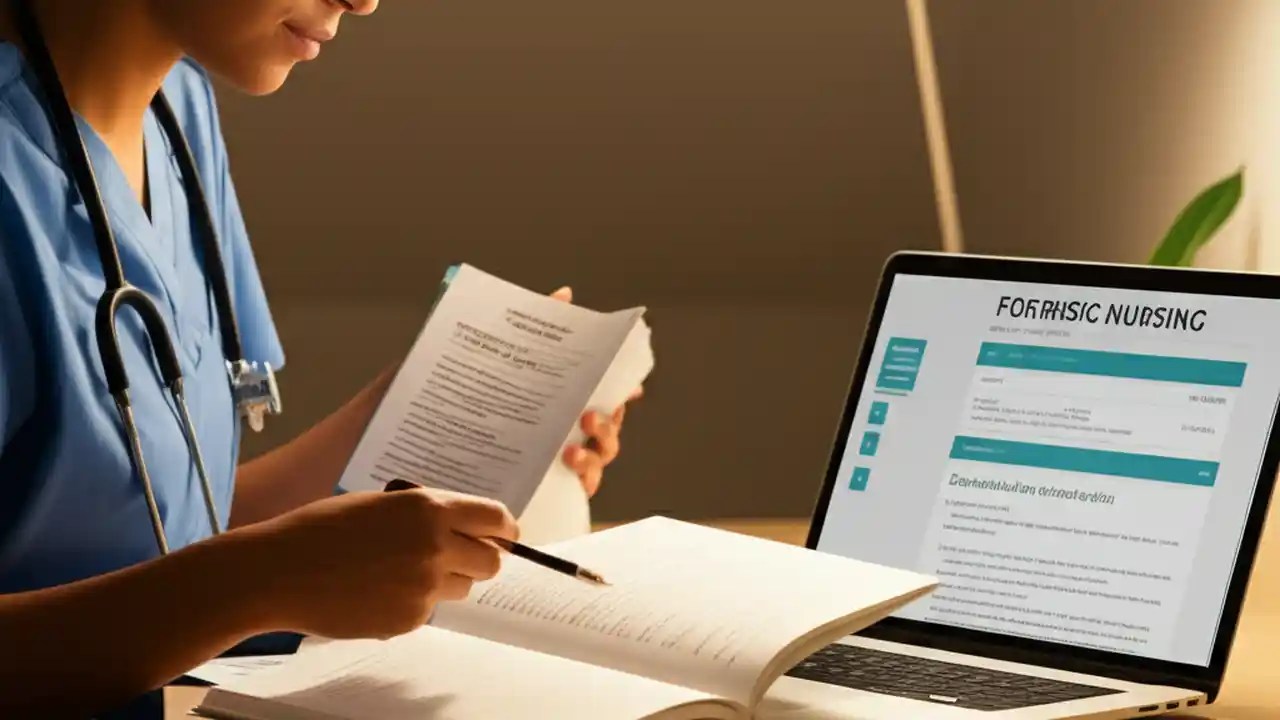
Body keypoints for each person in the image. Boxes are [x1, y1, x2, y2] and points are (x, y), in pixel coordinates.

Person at [0, 0, 640, 716]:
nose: (362, 0)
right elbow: (213, 575)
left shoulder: (176, 112)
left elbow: (166, 528)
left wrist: (443, 403)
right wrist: (256, 583)